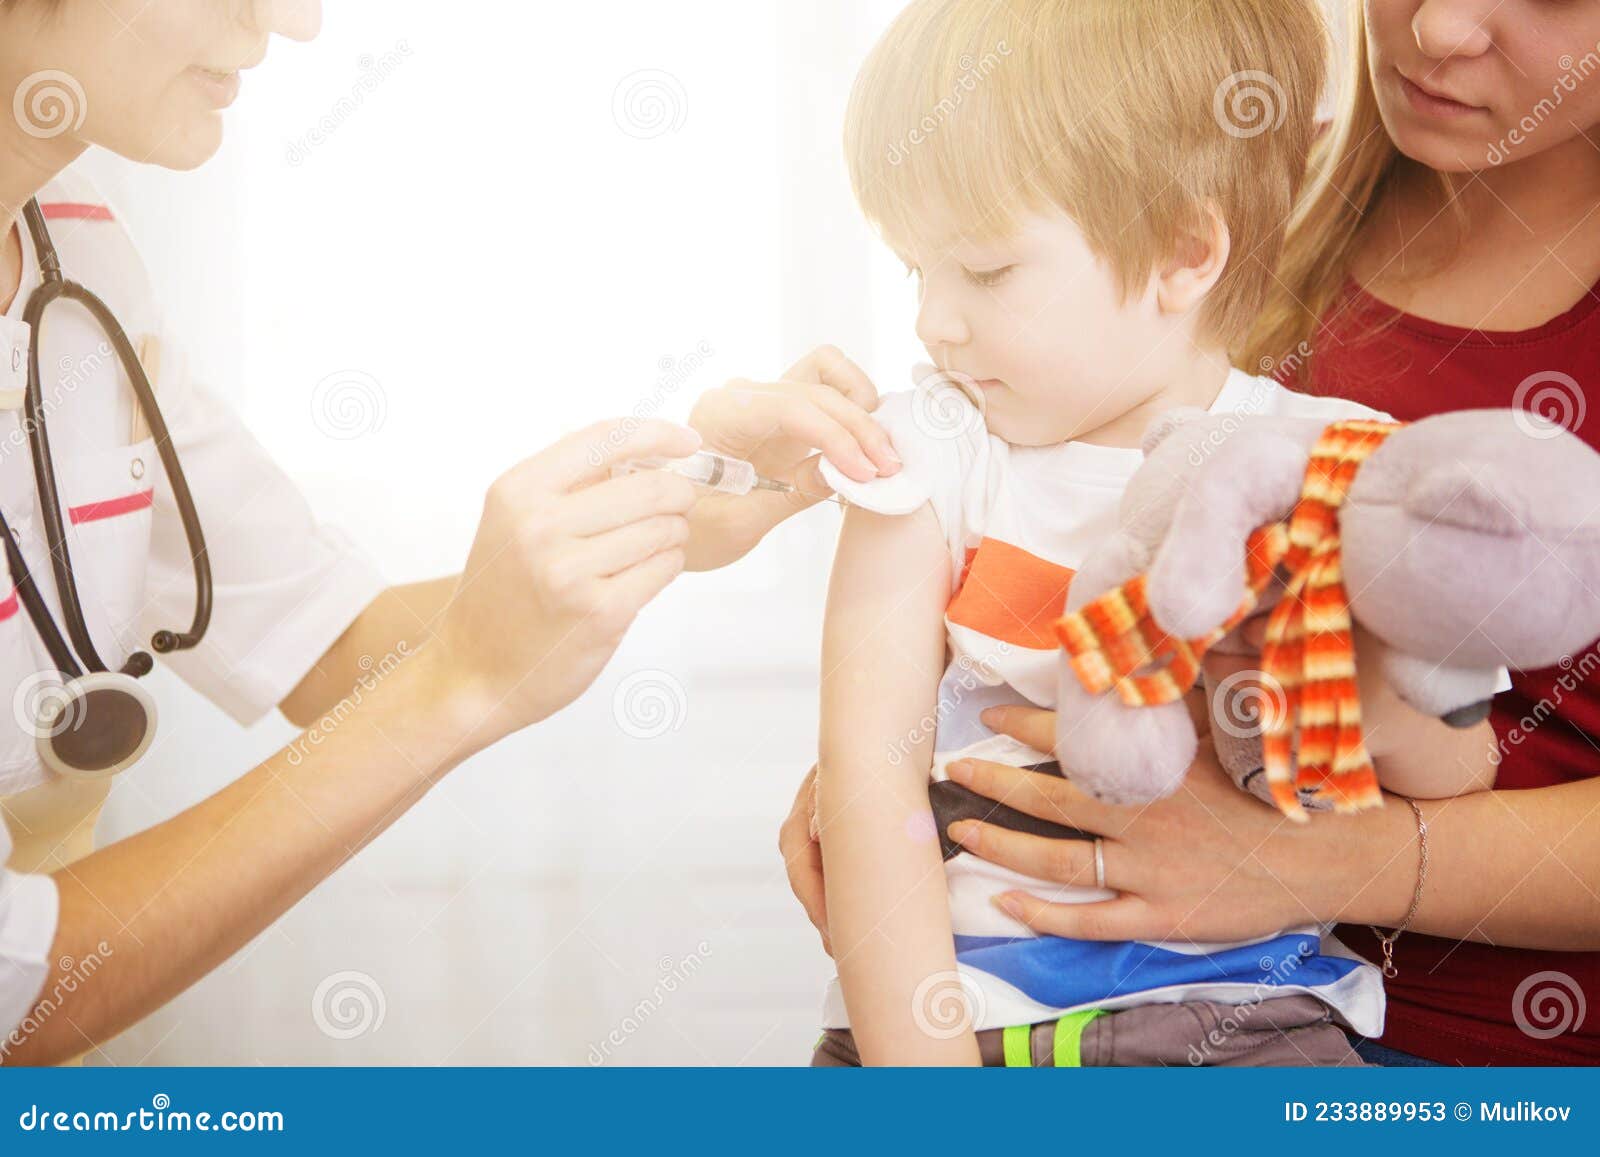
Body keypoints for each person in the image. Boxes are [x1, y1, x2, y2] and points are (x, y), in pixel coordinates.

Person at [0, 0, 900, 1066]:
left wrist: (675, 513)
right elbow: (23, 987)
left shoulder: (78, 253)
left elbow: (328, 645)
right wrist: (459, 686)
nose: (294, 21)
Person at [783, 0, 1600, 1066]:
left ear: (1185, 252)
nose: (933, 321)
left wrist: (1369, 662)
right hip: (964, 1012)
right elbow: (866, 776)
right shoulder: (942, 440)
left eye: (980, 273)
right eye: (913, 269)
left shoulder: (1343, 455)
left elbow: (1444, 764)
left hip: (1260, 1020)